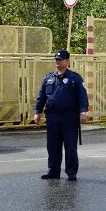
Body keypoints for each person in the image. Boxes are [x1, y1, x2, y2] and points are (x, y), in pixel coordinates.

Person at [33, 50, 89, 181]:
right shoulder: (49, 78)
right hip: (53, 117)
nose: (57, 62)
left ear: (68, 62)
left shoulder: (75, 78)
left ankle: (71, 172)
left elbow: (82, 96)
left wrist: (83, 112)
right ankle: (53, 170)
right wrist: (37, 113)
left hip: (69, 117)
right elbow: (41, 97)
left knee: (70, 147)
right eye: (56, 60)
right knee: (53, 146)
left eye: (61, 59)